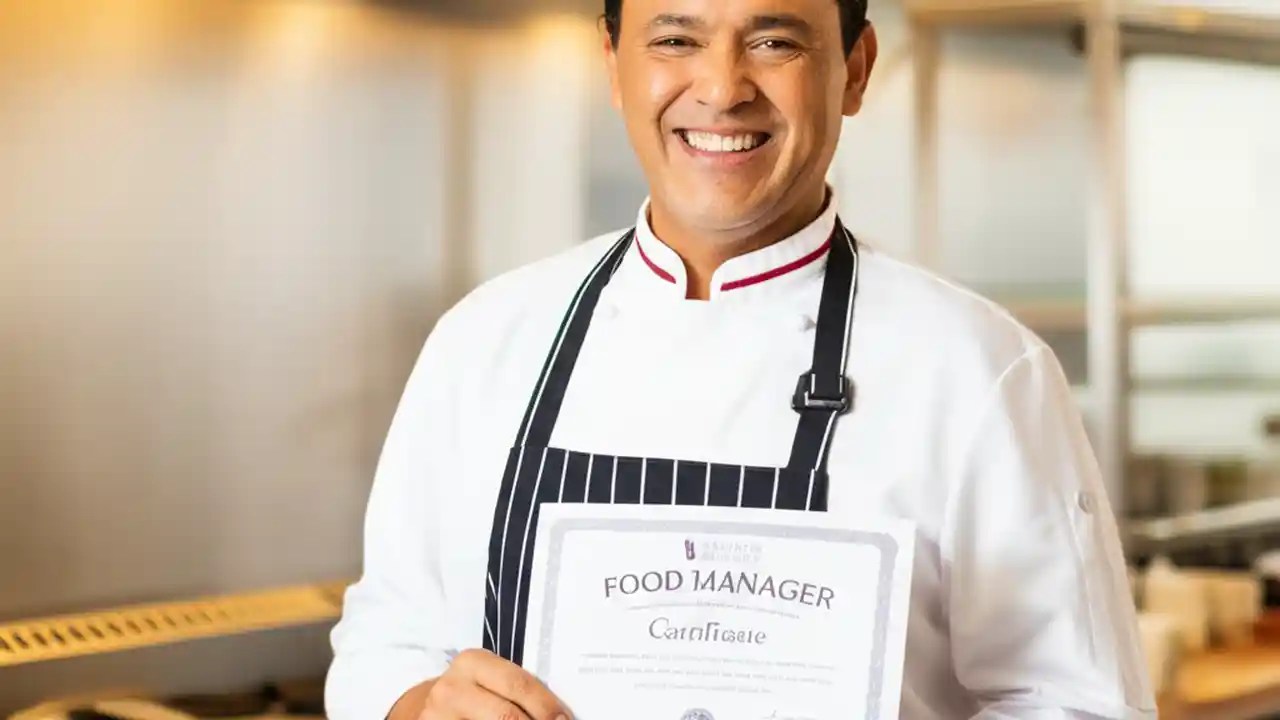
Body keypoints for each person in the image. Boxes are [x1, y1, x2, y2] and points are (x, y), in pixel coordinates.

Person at [326, 0, 1156, 717]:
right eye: (676, 40)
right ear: (614, 67)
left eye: (774, 42)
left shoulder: (978, 370)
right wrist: (414, 705)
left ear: (857, 70)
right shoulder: (487, 339)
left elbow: (1080, 703)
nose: (723, 88)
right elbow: (385, 636)